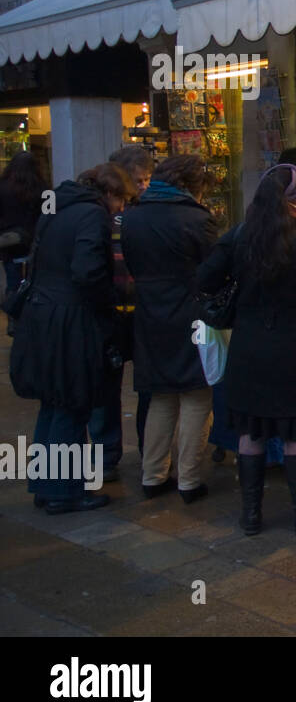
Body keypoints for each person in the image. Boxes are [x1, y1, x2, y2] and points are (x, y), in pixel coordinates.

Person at [197, 165, 296, 536]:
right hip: (295, 355)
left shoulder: (239, 238)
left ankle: (250, 516)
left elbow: (204, 280)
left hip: (249, 351)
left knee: (253, 431)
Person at [10, 164, 135, 514]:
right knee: (72, 403)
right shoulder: (92, 216)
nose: (122, 209)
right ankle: (65, 492)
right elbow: (87, 272)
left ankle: (46, 485)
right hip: (71, 320)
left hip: (43, 315)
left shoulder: (56, 207)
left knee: (52, 403)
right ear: (109, 193)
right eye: (122, 200)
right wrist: (106, 309)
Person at [122, 155, 219, 503]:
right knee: (196, 394)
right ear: (193, 185)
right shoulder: (196, 219)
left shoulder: (132, 217)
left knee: (160, 395)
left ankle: (153, 474)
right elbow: (215, 270)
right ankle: (189, 480)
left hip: (149, 314)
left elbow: (131, 265)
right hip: (190, 313)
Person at [88, 145, 156, 482]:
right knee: (105, 387)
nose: (143, 186)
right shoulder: (99, 213)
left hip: (140, 309)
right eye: (138, 179)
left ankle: (150, 452)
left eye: (147, 179)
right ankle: (106, 454)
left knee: (146, 386)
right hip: (111, 311)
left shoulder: (145, 213)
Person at [0, 152, 47, 332]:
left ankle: (13, 316)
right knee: (33, 280)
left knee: (13, 280)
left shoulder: (3, 187)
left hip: (9, 242)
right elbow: (49, 215)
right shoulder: (43, 189)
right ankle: (30, 317)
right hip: (35, 241)